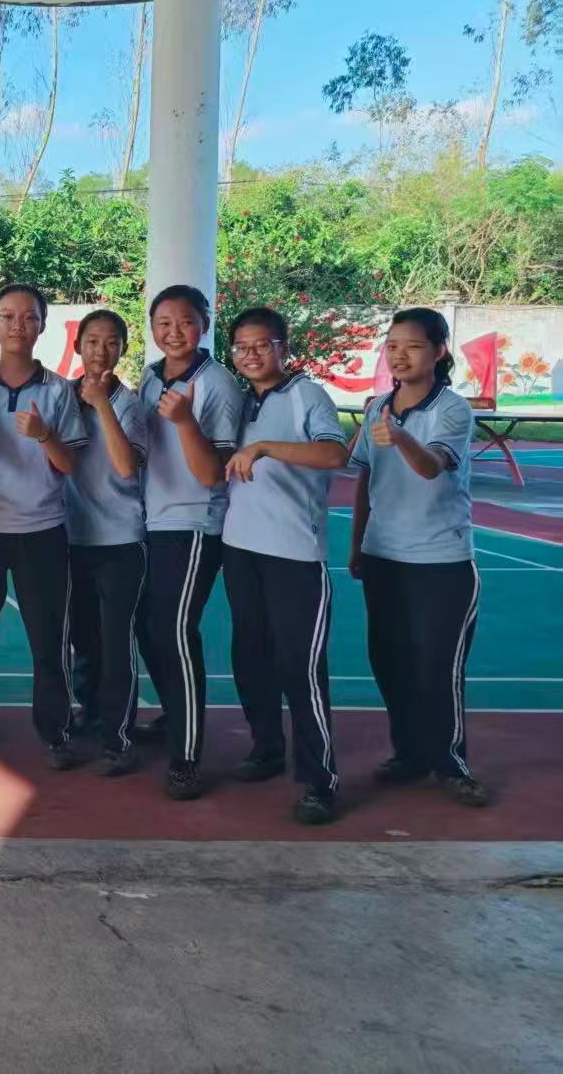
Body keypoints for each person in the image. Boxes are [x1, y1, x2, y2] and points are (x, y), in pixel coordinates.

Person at [349, 308, 488, 808]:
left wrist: (401, 436)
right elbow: (365, 478)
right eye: (392, 346)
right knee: (388, 661)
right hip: (383, 557)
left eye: (412, 346)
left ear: (439, 351)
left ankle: (450, 763)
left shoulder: (453, 410)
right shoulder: (377, 409)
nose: (399, 355)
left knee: (437, 666)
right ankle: (408, 753)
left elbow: (432, 467)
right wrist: (357, 544)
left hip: (441, 561)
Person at [0, 284, 87, 767]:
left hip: (42, 529)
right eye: (7, 316)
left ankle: (55, 731)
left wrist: (45, 435)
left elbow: (70, 465)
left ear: (42, 326)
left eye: (28, 317)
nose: (17, 325)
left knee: (48, 640)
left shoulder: (58, 390)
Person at [221, 307, 349, 826]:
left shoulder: (307, 395)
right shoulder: (238, 401)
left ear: (283, 347)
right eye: (241, 347)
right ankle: (267, 748)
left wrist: (266, 447)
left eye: (261, 345)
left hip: (294, 553)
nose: (251, 355)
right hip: (239, 548)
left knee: (301, 668)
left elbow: (335, 455)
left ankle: (320, 780)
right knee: (250, 657)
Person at [136, 284, 241, 801]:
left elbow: (212, 473)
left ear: (204, 324)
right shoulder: (150, 376)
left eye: (185, 321)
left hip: (195, 522)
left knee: (175, 631)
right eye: (164, 322)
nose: (174, 331)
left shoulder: (216, 383)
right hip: (153, 521)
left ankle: (187, 757)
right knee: (146, 627)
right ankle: (176, 715)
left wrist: (182, 421)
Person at [61, 309, 148, 777]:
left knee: (116, 643)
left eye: (111, 342)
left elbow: (126, 466)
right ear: (78, 347)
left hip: (120, 540)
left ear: (122, 350)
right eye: (93, 341)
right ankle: (90, 712)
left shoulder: (128, 404)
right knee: (84, 639)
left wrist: (101, 405)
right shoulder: (61, 395)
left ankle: (119, 737)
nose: (101, 350)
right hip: (73, 538)